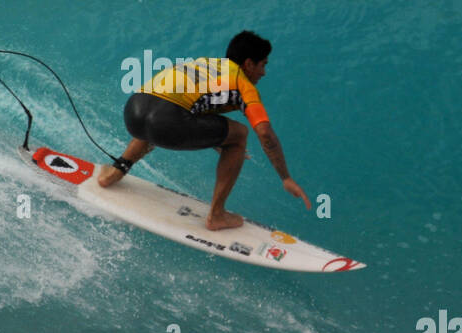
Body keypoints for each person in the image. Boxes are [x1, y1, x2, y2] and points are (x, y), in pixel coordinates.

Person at [96, 30, 310, 230]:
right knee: (239, 135)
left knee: (158, 117)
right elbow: (265, 133)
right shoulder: (243, 85)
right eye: (262, 65)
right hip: (166, 122)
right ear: (248, 64)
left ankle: (116, 171)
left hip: (134, 111)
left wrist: (215, 140)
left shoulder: (205, 64)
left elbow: (192, 104)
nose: (263, 72)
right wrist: (285, 177)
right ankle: (217, 215)